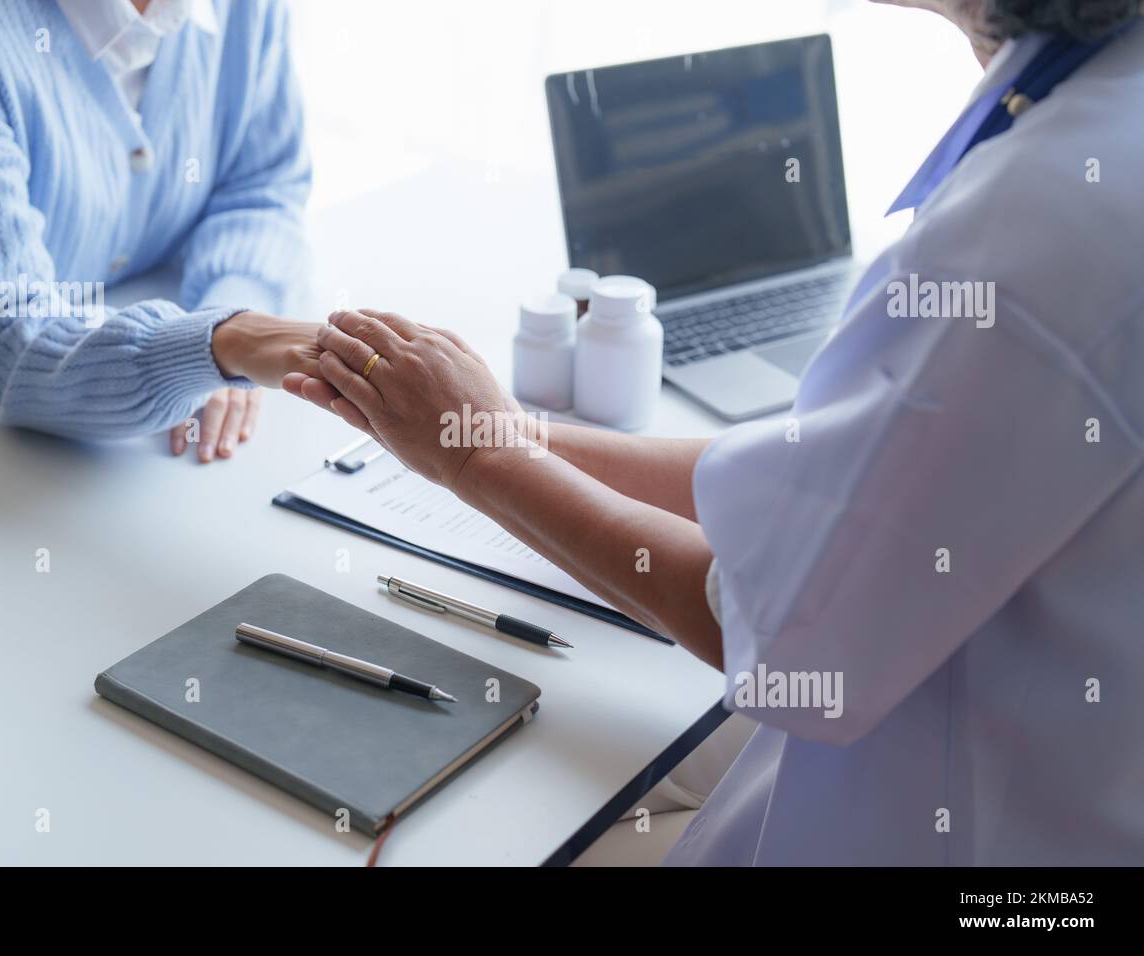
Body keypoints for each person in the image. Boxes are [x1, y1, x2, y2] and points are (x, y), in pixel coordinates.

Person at [284, 0, 1144, 864]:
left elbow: (786, 639)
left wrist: (476, 456)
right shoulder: (1095, 119)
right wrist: (500, 430)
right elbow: (843, 478)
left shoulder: (1033, 228)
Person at [0, 0, 320, 463]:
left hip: (104, 436)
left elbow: (262, 187)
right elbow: (4, 327)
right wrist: (221, 341)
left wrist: (231, 307)